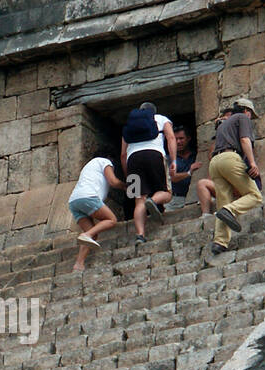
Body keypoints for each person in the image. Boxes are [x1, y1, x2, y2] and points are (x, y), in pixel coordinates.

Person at [208, 97, 264, 255]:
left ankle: (219, 242)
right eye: (251, 115)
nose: (251, 118)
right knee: (254, 195)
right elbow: (245, 140)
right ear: (247, 111)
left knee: (223, 201)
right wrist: (252, 163)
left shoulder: (222, 124)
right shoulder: (241, 118)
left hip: (215, 162)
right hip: (230, 158)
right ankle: (230, 209)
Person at [120, 102, 176, 244]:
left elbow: (122, 155)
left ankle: (140, 235)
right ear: (153, 111)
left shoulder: (130, 124)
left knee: (139, 200)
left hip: (132, 160)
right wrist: (174, 160)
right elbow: (171, 138)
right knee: (167, 193)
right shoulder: (161, 118)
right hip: (154, 156)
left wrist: (128, 176)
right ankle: (153, 200)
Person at [68, 150, 123, 272]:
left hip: (74, 201)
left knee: (93, 233)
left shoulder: (88, 167)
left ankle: (79, 264)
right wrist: (126, 186)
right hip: (88, 196)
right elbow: (113, 181)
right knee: (111, 220)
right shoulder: (104, 161)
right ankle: (86, 234)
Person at [165, 125, 197, 211]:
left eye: (181, 138)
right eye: (175, 139)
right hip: (174, 200)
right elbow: (171, 177)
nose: (178, 142)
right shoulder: (168, 159)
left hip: (196, 196)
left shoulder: (196, 155)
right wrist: (189, 172)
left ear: (188, 138)